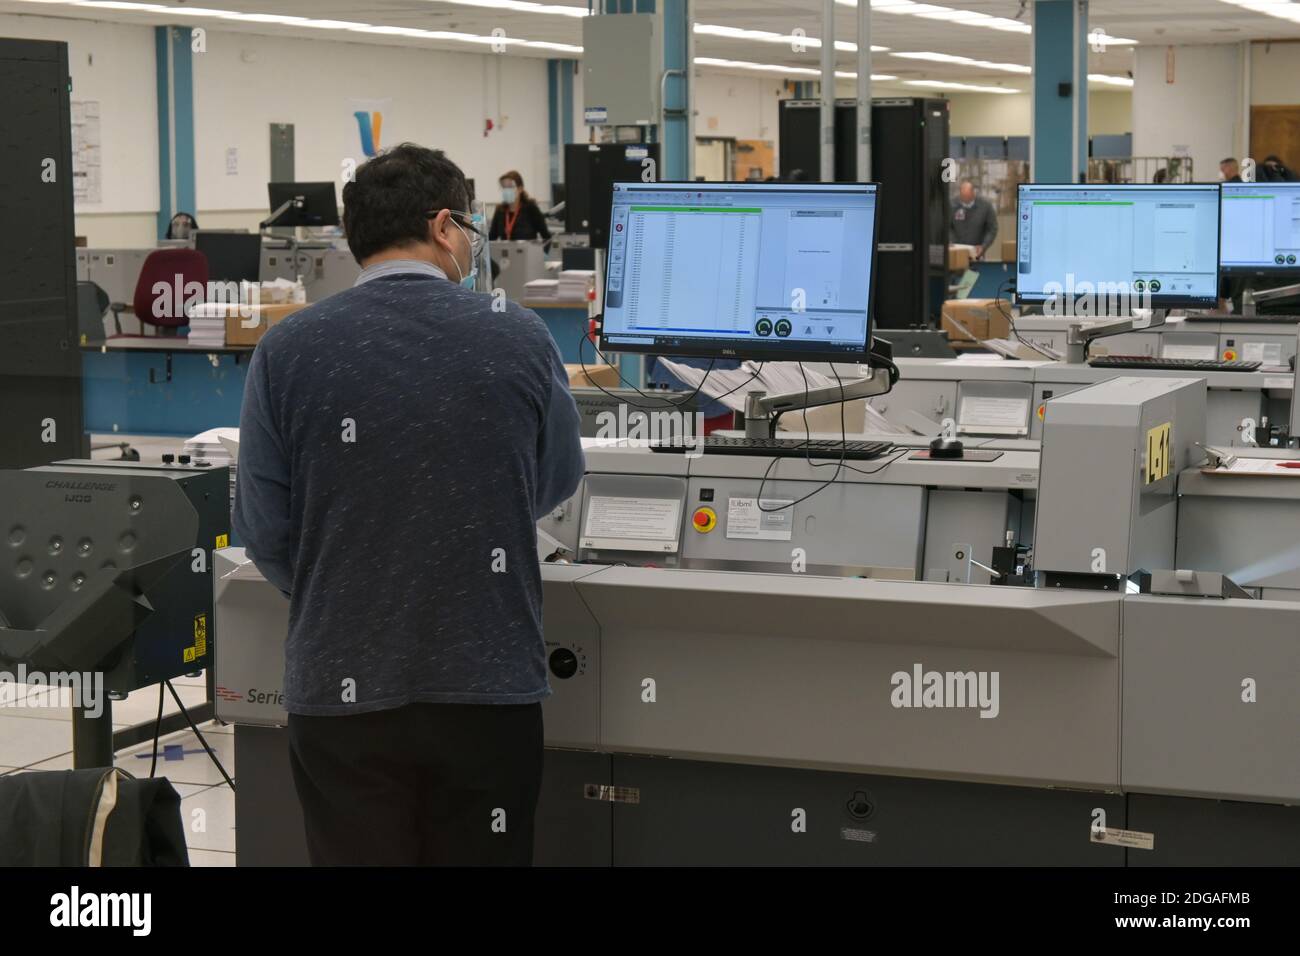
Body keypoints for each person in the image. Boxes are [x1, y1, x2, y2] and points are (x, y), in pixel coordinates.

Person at [233, 142, 585, 866]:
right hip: (487, 689)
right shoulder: (518, 335)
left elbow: (263, 530)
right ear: (446, 227)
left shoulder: (287, 348)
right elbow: (552, 481)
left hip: (341, 692)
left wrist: (347, 585)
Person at [488, 170, 551, 241]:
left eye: (510, 187)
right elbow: (491, 238)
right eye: (504, 187)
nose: (506, 190)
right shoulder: (500, 210)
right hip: (505, 251)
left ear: (520, 189)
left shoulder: (531, 208)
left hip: (528, 251)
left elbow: (546, 237)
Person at [950, 180, 998, 260]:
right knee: (957, 272)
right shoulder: (951, 205)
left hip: (977, 253)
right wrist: (951, 241)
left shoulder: (985, 206)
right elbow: (946, 226)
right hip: (956, 252)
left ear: (973, 194)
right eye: (963, 199)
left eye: (968, 199)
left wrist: (983, 246)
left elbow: (992, 229)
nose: (965, 202)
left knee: (973, 272)